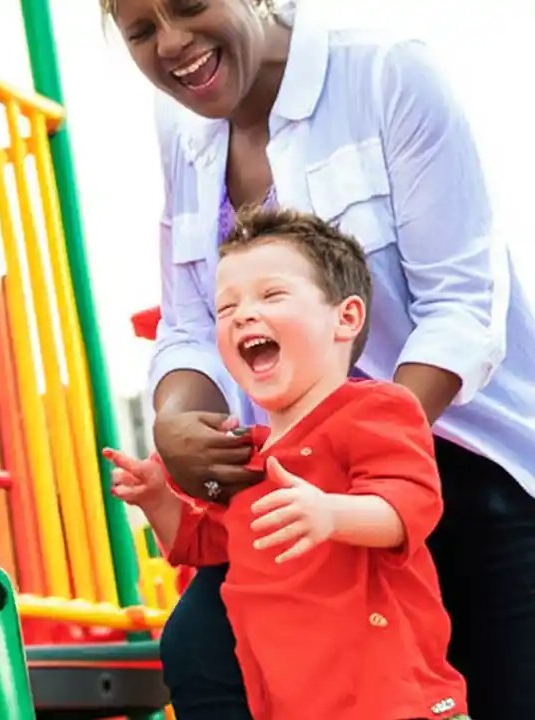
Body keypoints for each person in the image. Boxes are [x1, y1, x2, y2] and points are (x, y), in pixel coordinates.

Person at [101, 0, 535, 717]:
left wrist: (358, 437)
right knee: (204, 648)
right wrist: (175, 422)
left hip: (461, 453)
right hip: (292, 479)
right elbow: (187, 320)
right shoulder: (182, 126)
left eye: (189, 6)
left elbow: (461, 304)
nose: (173, 44)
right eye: (141, 31)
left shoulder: (388, 74)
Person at [106, 206, 469, 720]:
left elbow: (411, 504)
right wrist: (158, 500)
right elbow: (204, 545)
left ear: (345, 319)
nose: (243, 314)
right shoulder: (247, 453)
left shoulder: (377, 409)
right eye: (226, 308)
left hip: (393, 700)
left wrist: (332, 514)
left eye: (271, 295)